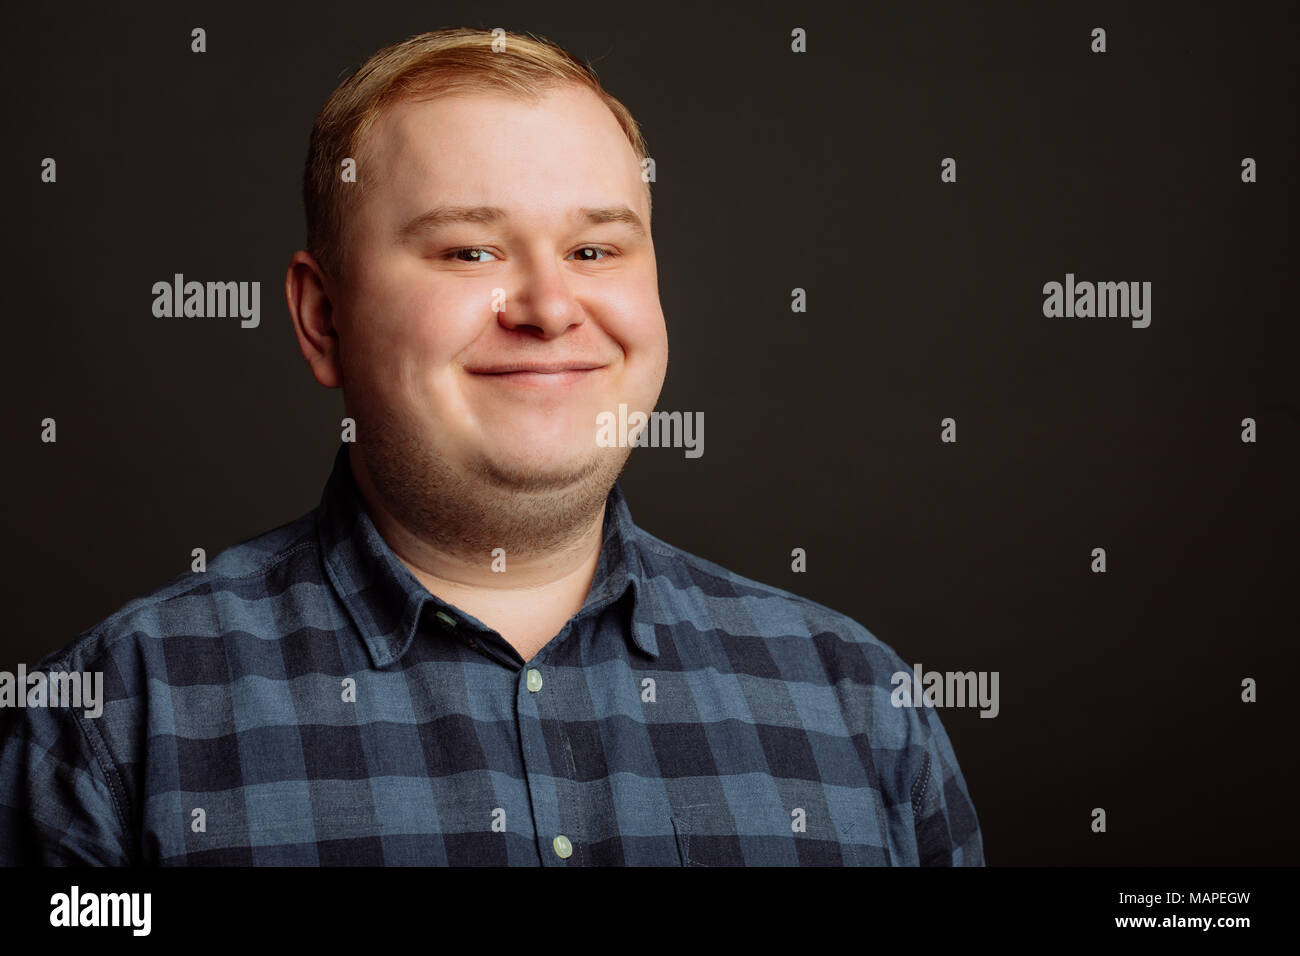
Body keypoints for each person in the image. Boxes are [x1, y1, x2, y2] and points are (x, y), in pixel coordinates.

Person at [0, 27, 984, 866]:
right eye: (470, 250)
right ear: (321, 317)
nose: (551, 309)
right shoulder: (108, 725)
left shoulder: (858, 705)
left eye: (595, 249)